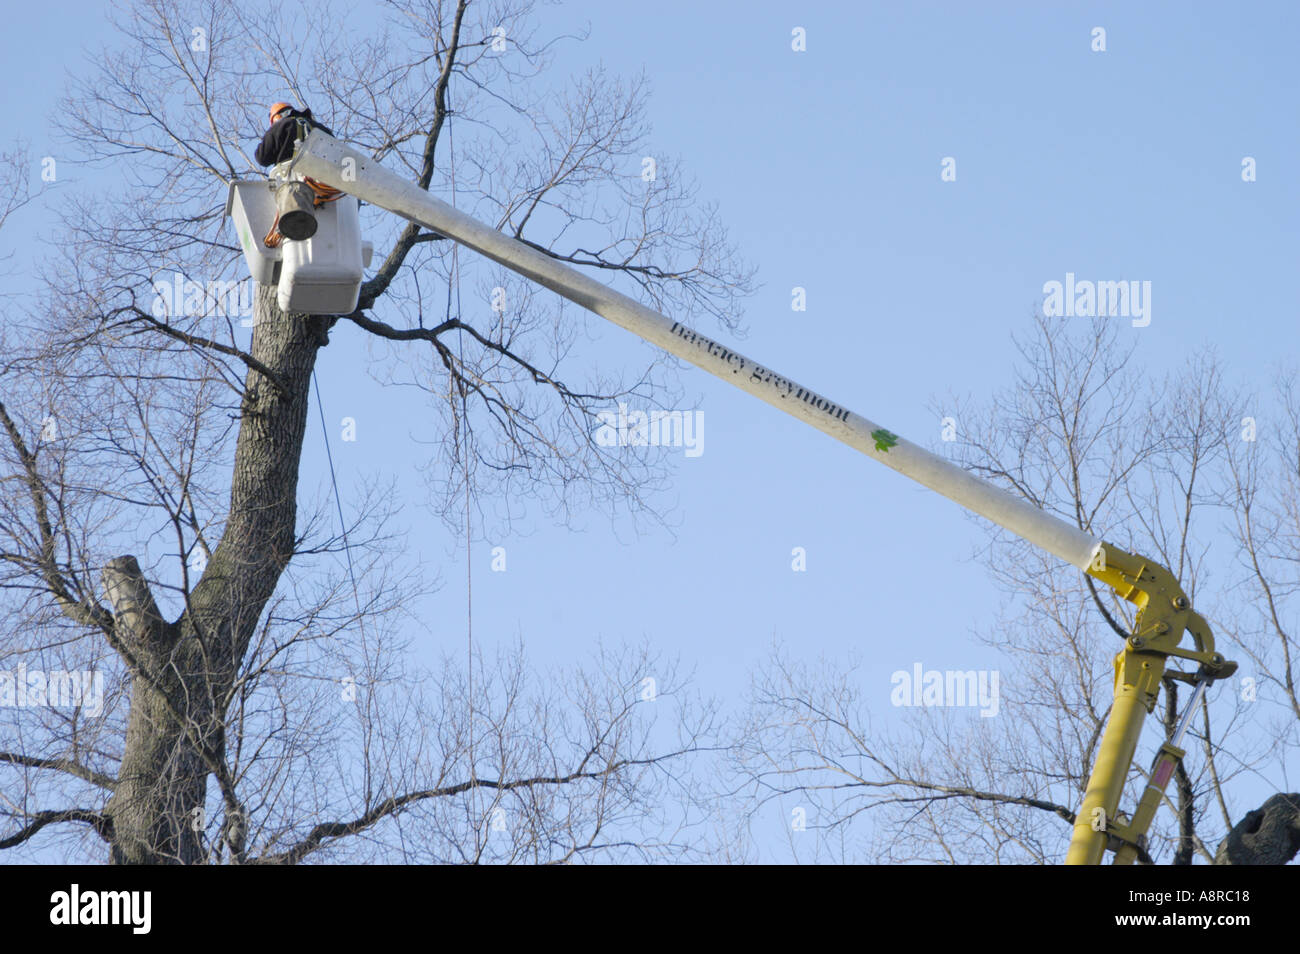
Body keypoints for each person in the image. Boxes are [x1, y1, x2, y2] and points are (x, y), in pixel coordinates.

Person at [254, 101, 343, 247]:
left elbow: (262, 157)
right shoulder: (321, 129)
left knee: (291, 192)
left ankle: (293, 223)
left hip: (295, 183)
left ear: (276, 117)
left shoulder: (281, 126)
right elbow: (339, 156)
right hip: (328, 186)